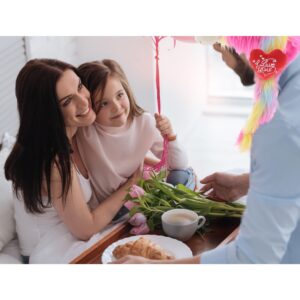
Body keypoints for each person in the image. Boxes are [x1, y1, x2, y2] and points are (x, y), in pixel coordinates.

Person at [113, 51, 300, 264]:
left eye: (220, 42)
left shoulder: (281, 124)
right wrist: (246, 182)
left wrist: (152, 267)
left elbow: (250, 260)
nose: (219, 54)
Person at [4, 59, 141, 263]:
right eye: (67, 101)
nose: (84, 101)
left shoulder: (77, 130)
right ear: (48, 113)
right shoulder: (52, 161)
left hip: (73, 233)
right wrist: (132, 184)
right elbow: (85, 228)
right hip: (51, 247)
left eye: (79, 86)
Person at [75, 59, 195, 209]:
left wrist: (170, 135)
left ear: (127, 90)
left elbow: (178, 165)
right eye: (104, 103)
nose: (117, 107)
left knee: (183, 175)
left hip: (141, 193)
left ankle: (161, 208)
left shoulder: (144, 122)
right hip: (114, 206)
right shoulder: (86, 130)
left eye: (119, 95)